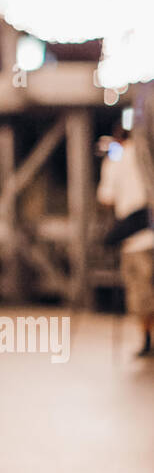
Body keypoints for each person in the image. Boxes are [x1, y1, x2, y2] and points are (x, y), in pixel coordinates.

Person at [97, 124, 154, 358]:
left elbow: (106, 197)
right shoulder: (148, 156)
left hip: (135, 241)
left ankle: (147, 340)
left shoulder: (116, 159)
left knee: (141, 294)